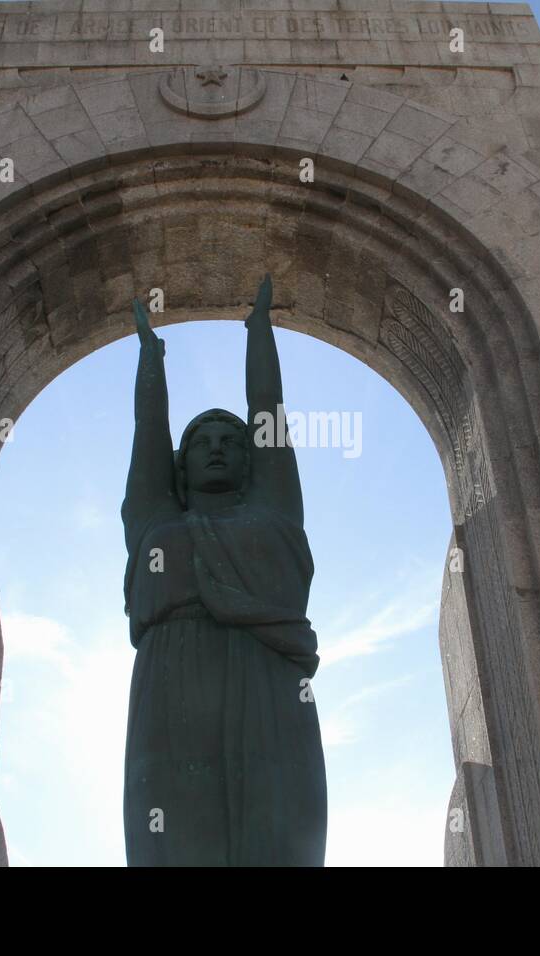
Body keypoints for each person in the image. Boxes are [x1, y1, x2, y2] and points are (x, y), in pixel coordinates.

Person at [120, 274, 327, 865]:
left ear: (250, 459)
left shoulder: (273, 510)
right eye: (202, 441)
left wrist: (258, 332)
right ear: (180, 468)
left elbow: (268, 411)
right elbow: (148, 439)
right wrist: (150, 359)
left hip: (269, 682)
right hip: (171, 683)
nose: (215, 446)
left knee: (279, 839)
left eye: (229, 440)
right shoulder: (155, 519)